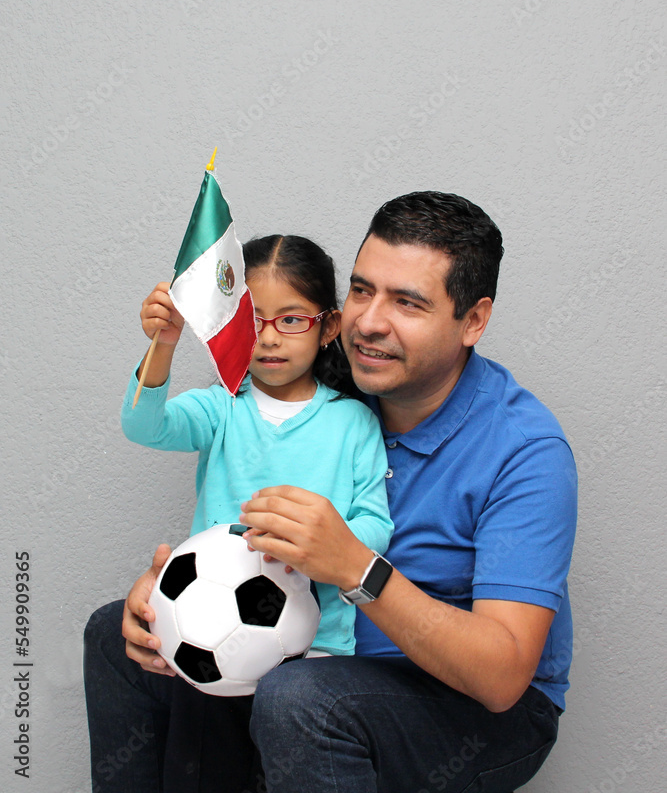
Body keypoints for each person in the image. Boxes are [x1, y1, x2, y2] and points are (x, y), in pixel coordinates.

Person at [87, 192, 577, 793]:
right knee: (118, 634)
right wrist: (175, 595)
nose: (370, 321)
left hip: (470, 706)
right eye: (363, 290)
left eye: (408, 303)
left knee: (301, 699)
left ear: (473, 320)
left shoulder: (524, 451)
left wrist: (352, 564)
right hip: (294, 647)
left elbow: (501, 678)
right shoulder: (335, 386)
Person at [84, 234, 393, 792]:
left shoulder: (353, 424)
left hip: (314, 649)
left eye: (291, 319)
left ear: (328, 327)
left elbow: (376, 524)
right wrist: (164, 344)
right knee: (201, 760)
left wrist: (317, 542)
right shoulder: (223, 407)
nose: (269, 338)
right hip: (212, 636)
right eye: (252, 320)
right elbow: (144, 426)